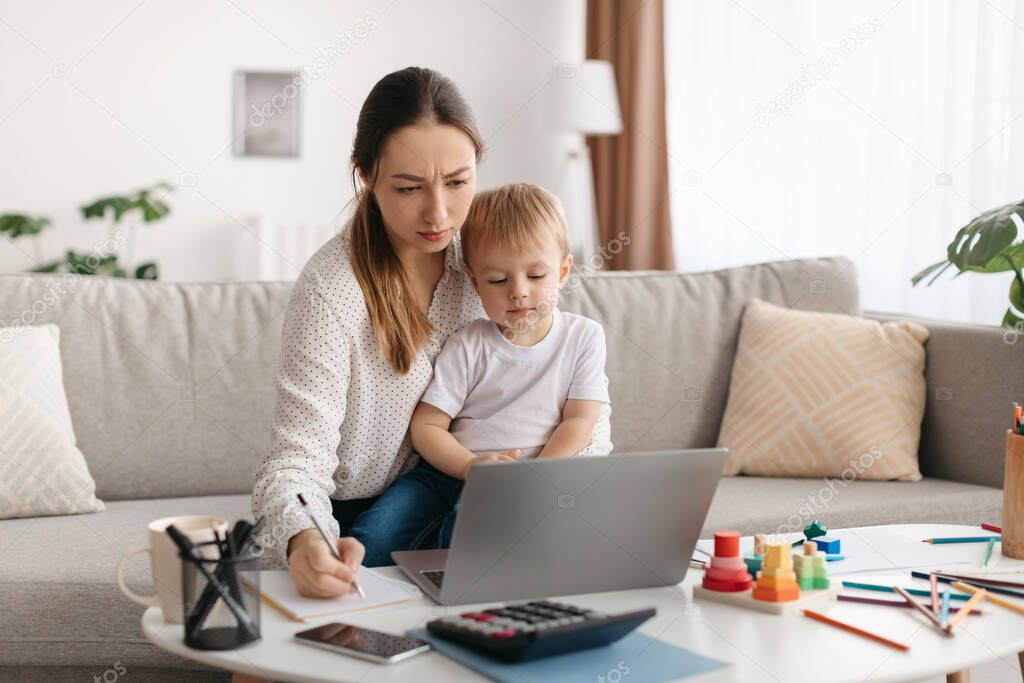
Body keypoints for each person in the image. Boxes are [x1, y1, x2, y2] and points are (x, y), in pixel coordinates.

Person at [252, 68, 607, 595]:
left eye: (459, 182)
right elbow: (295, 462)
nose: (439, 214)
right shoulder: (331, 293)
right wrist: (307, 539)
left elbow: (573, 399)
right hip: (355, 520)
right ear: (366, 177)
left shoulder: (492, 259)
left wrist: (552, 485)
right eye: (408, 188)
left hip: (503, 494)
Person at [354, 183, 614, 553]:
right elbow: (427, 426)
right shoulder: (468, 343)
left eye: (536, 276)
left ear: (563, 271)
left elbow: (579, 423)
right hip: (451, 472)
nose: (518, 291)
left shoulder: (583, 337)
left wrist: (534, 475)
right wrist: (471, 467)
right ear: (475, 281)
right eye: (498, 280)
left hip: (532, 474)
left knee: (468, 542)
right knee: (373, 538)